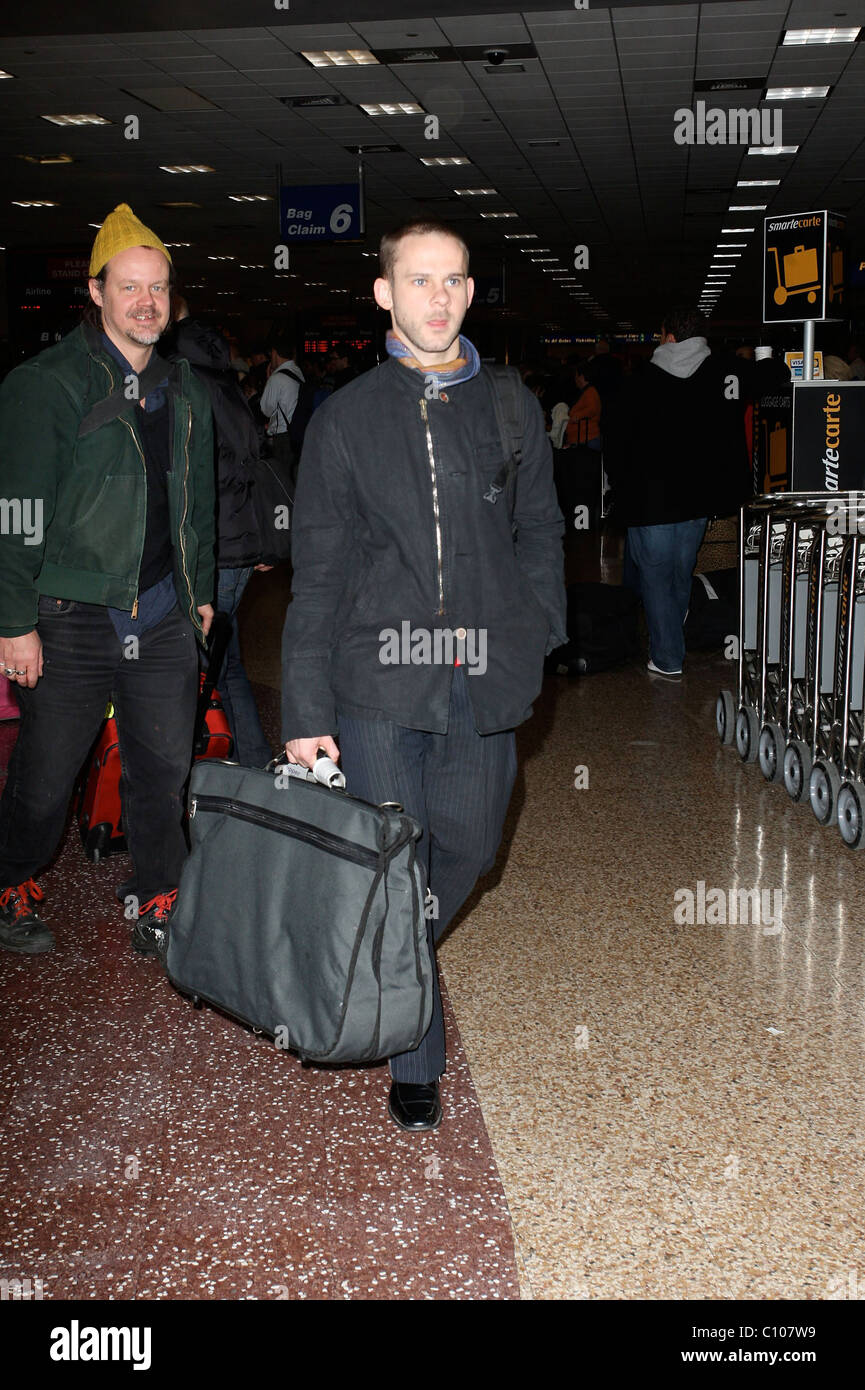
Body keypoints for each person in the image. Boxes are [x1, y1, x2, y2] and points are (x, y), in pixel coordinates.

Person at [281, 219, 566, 1132]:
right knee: (396, 864)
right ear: (385, 294)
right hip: (376, 682)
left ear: (470, 293)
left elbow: (543, 534)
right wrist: (304, 706)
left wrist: (539, 637)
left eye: (453, 281)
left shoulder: (514, 408)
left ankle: (378, 956)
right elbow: (317, 572)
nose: (437, 297)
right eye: (419, 279)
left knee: (473, 848)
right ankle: (416, 1053)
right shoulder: (345, 419)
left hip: (481, 678)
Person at [0, 203, 216, 957]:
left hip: (161, 611)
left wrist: (202, 590)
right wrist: (13, 620)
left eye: (158, 288)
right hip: (71, 612)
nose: (146, 302)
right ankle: (12, 878)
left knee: (163, 767)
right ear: (96, 292)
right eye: (130, 287)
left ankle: (161, 892)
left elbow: (199, 502)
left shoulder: (184, 387)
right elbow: (18, 510)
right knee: (47, 771)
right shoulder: (46, 384)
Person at [604, 306, 751, 678]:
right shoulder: (719, 375)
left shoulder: (638, 380)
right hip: (697, 498)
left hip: (648, 499)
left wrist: (618, 486)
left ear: (668, 335)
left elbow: (618, 441)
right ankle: (673, 629)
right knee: (680, 572)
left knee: (654, 576)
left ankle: (668, 656)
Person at [167, 300, 274, 768]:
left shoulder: (183, 387)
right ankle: (251, 763)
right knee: (225, 665)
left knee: (201, 664)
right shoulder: (228, 385)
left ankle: (191, 768)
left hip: (213, 547)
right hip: (242, 542)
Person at [259, 332, 304, 480]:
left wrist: (268, 380)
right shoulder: (298, 372)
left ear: (275, 353)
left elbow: (266, 409)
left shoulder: (277, 378)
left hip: (282, 437)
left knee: (281, 480)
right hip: (297, 433)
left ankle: (283, 504)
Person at [564, 363, 602, 450]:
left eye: (576, 375)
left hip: (586, 439)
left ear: (581, 376)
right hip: (583, 438)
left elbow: (592, 409)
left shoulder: (590, 392)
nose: (575, 379)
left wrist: (577, 416)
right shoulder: (586, 392)